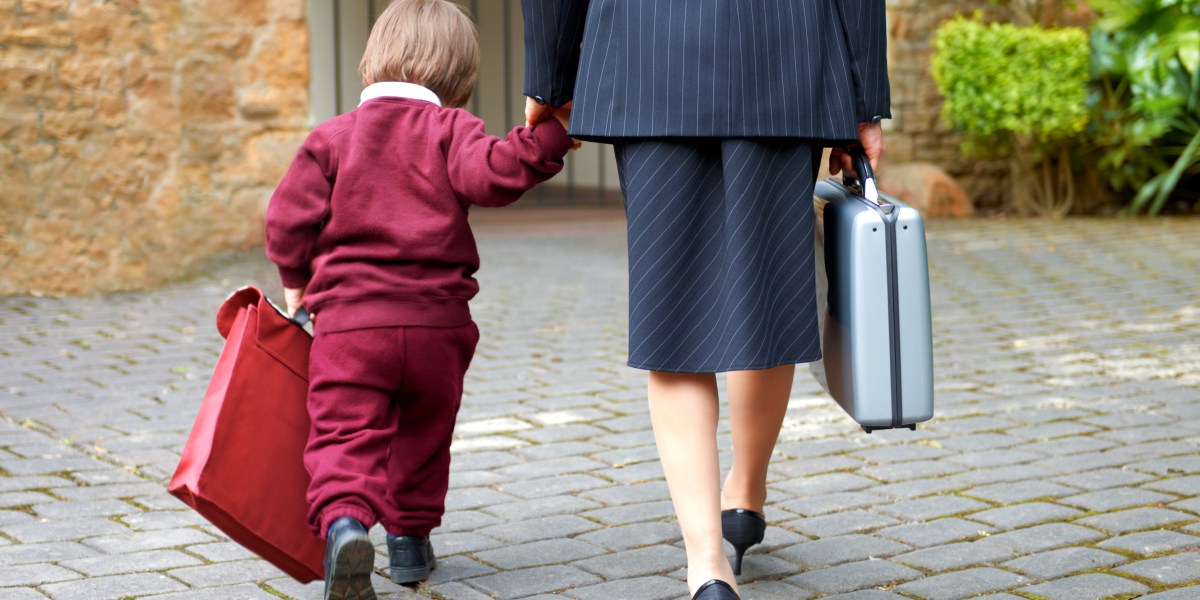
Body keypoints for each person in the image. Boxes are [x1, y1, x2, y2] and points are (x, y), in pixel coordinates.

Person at [521, 1, 890, 598]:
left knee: (673, 319)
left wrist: (550, 74)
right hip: (783, 58)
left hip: (650, 60)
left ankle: (707, 567)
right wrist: (864, 100)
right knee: (767, 297)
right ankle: (744, 493)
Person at [263, 1, 574, 598]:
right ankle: (410, 543)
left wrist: (296, 282)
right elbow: (496, 173)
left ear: (372, 60)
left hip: (351, 331)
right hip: (438, 328)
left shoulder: (331, 139)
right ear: (459, 76)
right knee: (425, 433)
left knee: (343, 435)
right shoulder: (451, 130)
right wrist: (552, 132)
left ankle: (348, 525)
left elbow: (286, 218)